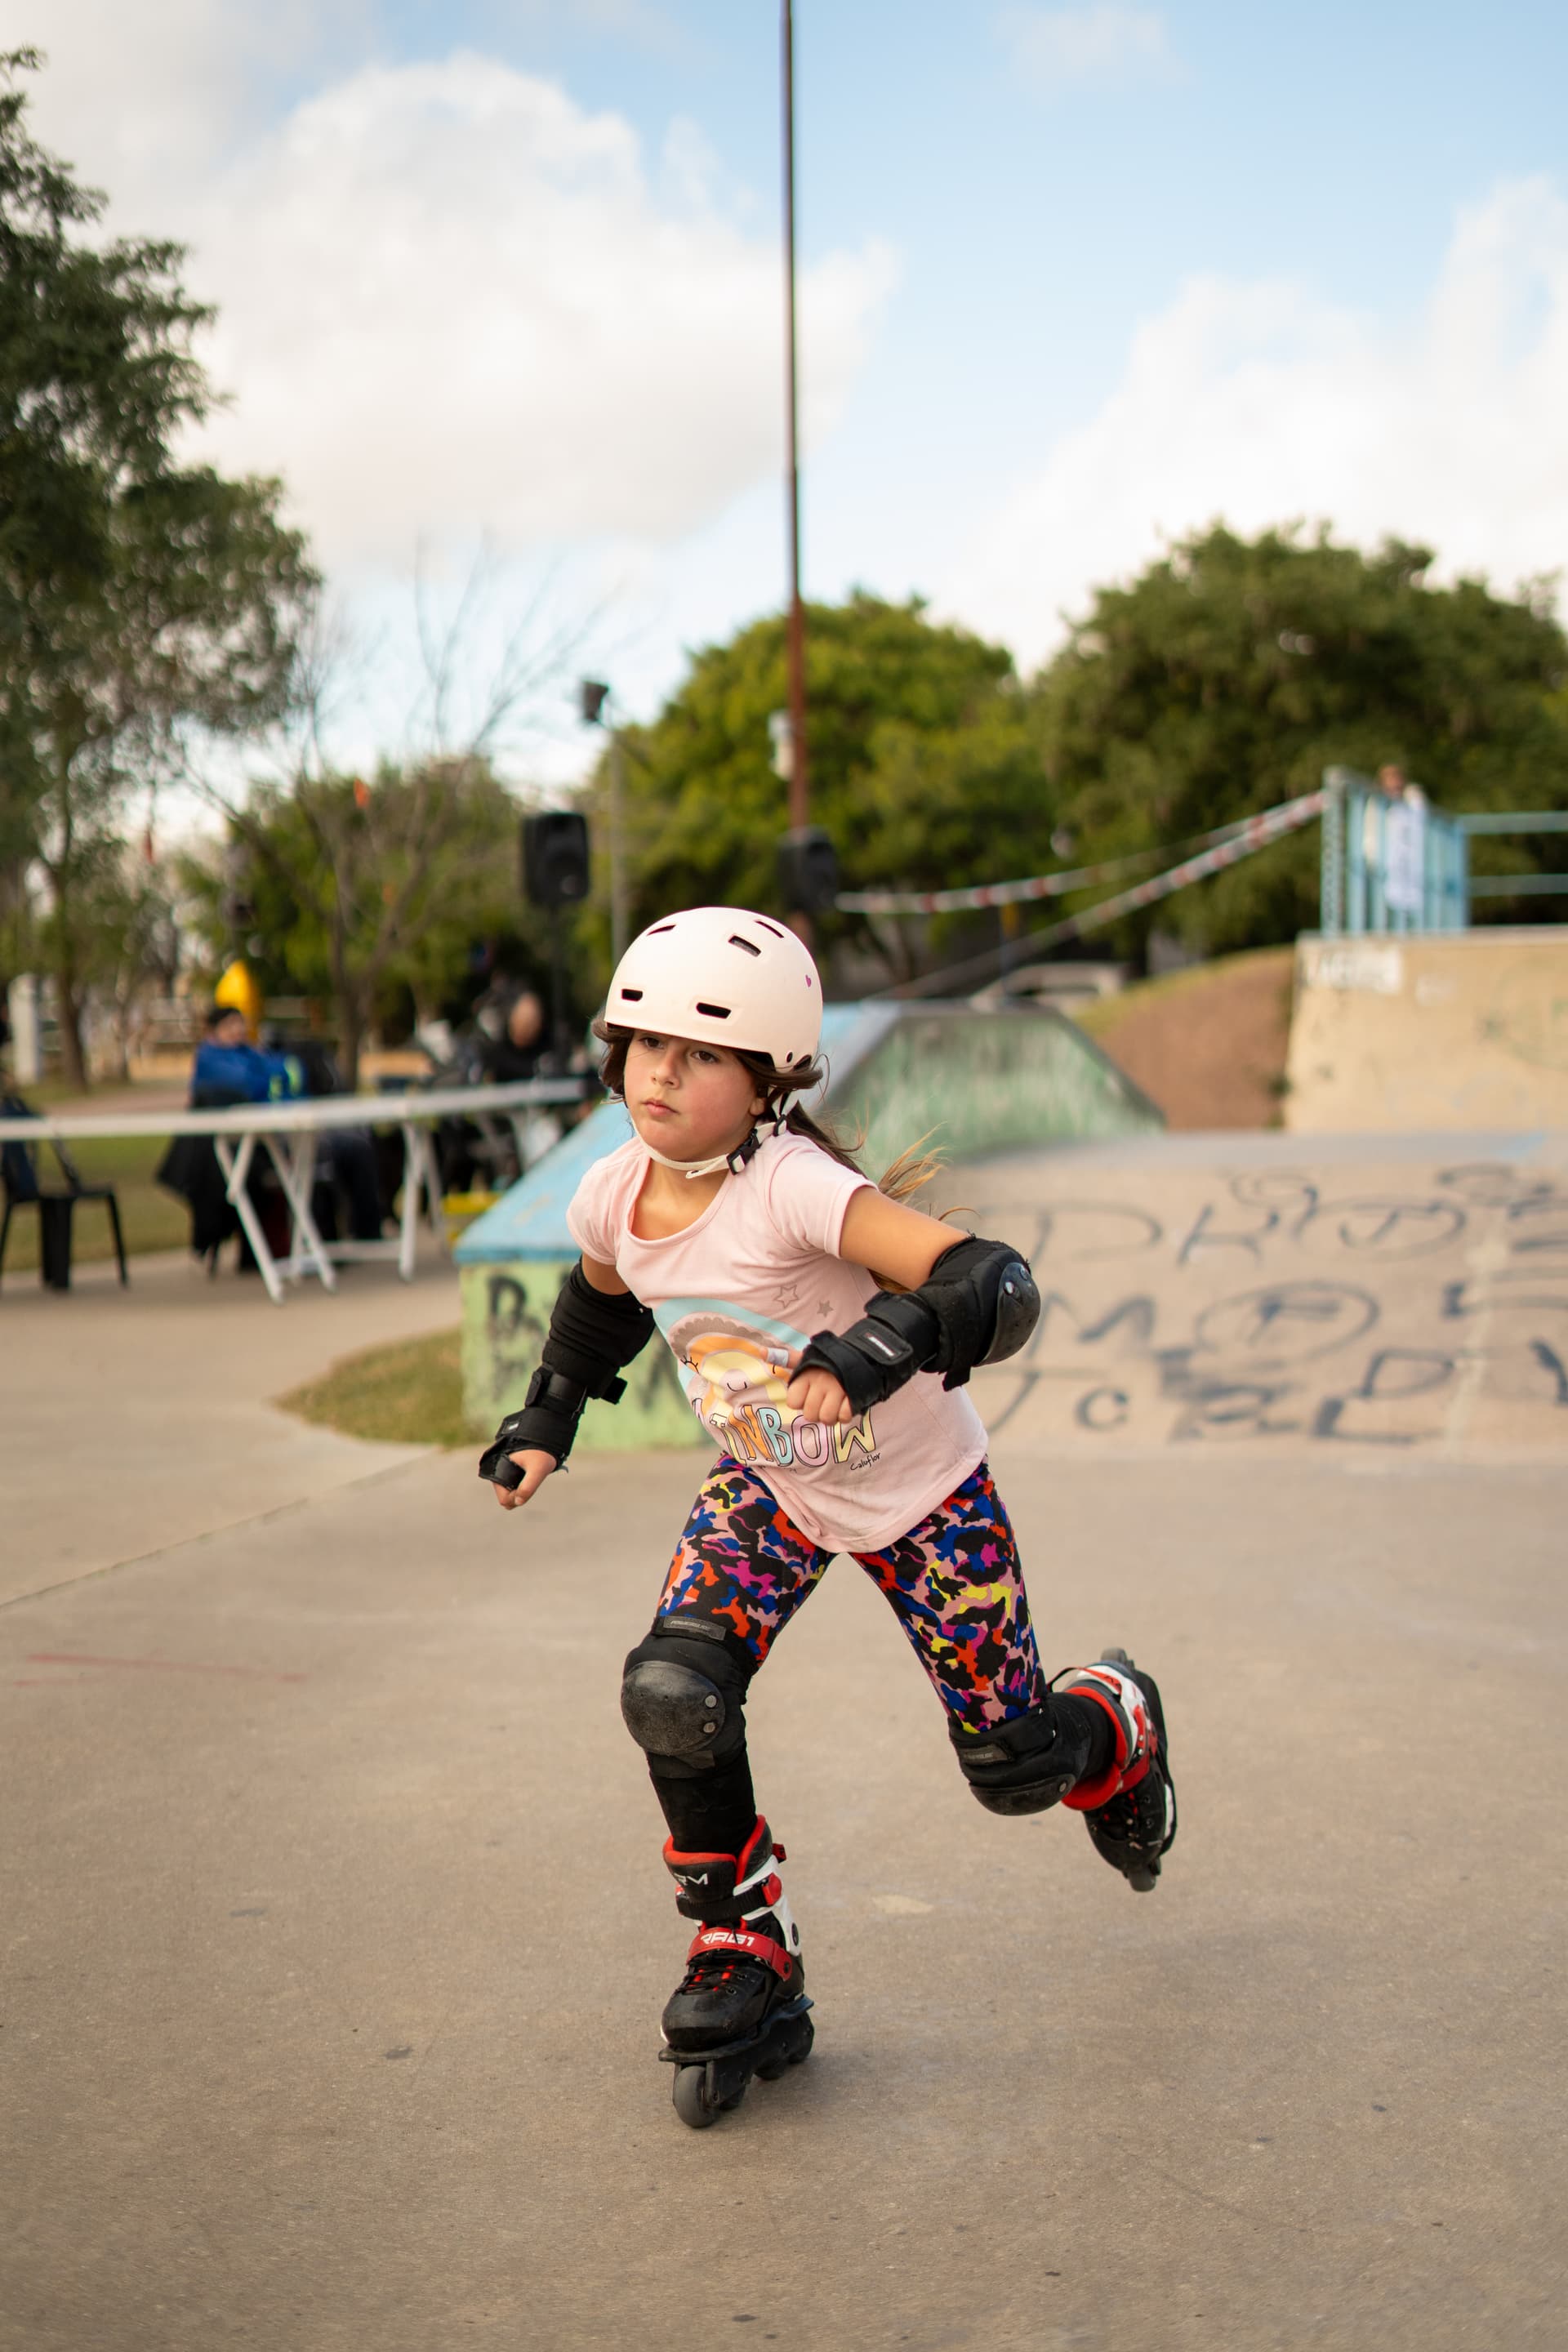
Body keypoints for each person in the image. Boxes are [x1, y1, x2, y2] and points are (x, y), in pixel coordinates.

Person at [479, 907, 1175, 2094]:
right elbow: (604, 1301)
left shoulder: (793, 1186)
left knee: (1012, 1762)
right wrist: (546, 1420)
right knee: (674, 1688)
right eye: (646, 1044)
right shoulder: (614, 1190)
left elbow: (988, 1282)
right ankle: (741, 1942)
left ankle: (1115, 1726)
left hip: (922, 1497)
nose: (662, 1072)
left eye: (701, 1054)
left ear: (765, 1086)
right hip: (771, 1490)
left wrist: (869, 1353)